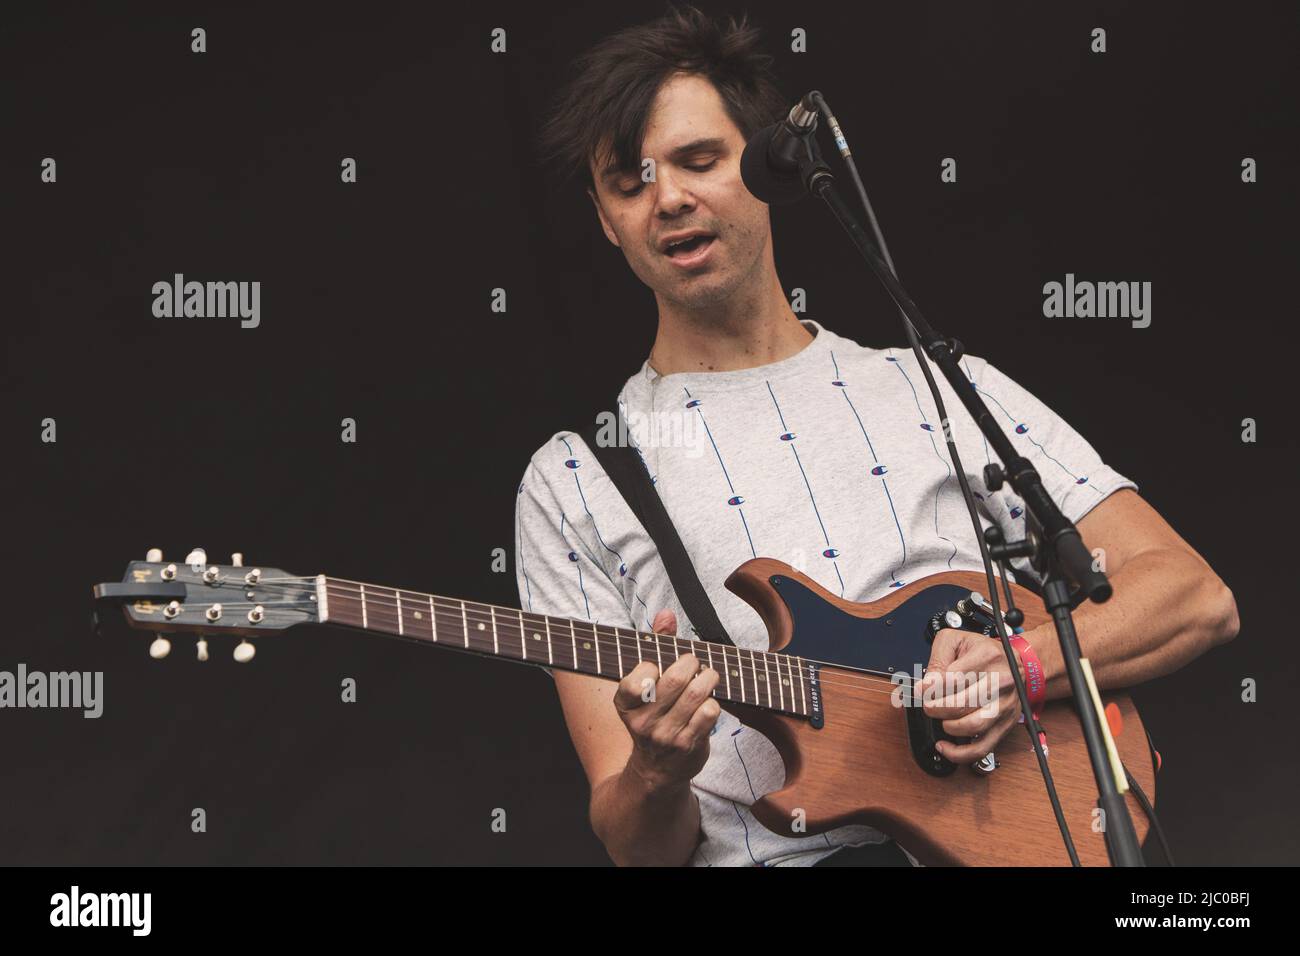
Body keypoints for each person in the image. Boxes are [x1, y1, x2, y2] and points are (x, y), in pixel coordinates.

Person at [514, 4, 1239, 867]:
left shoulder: (927, 382)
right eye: (628, 183)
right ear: (604, 217)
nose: (667, 197)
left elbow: (1197, 598)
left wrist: (1024, 666)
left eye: (698, 160)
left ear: (765, 167)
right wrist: (658, 771)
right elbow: (640, 850)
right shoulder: (576, 479)